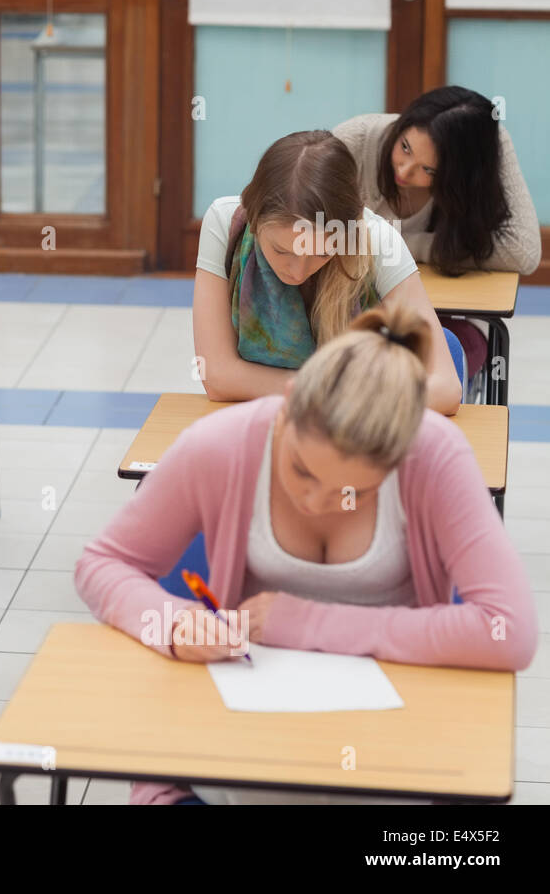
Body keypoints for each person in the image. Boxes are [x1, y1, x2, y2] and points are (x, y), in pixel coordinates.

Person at [76, 303, 537, 805]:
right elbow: (102, 564)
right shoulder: (221, 445)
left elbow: (509, 630)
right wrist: (171, 621)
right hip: (243, 752)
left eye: (352, 494)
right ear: (290, 401)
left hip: (392, 749)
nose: (315, 501)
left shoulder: (436, 456)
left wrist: (304, 622)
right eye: (301, 471)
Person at [192, 129, 462, 415]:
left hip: (357, 436)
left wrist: (309, 393)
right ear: (255, 220)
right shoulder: (226, 222)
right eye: (282, 250)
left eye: (322, 252)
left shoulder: (377, 239)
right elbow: (218, 376)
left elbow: (445, 390)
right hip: (274, 422)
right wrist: (338, 391)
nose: (298, 271)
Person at [332, 86, 540, 277]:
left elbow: (522, 251)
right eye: (405, 147)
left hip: (435, 298)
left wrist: (409, 246)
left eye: (428, 169)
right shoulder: (353, 141)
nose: (404, 171)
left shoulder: (485, 146)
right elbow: (313, 232)